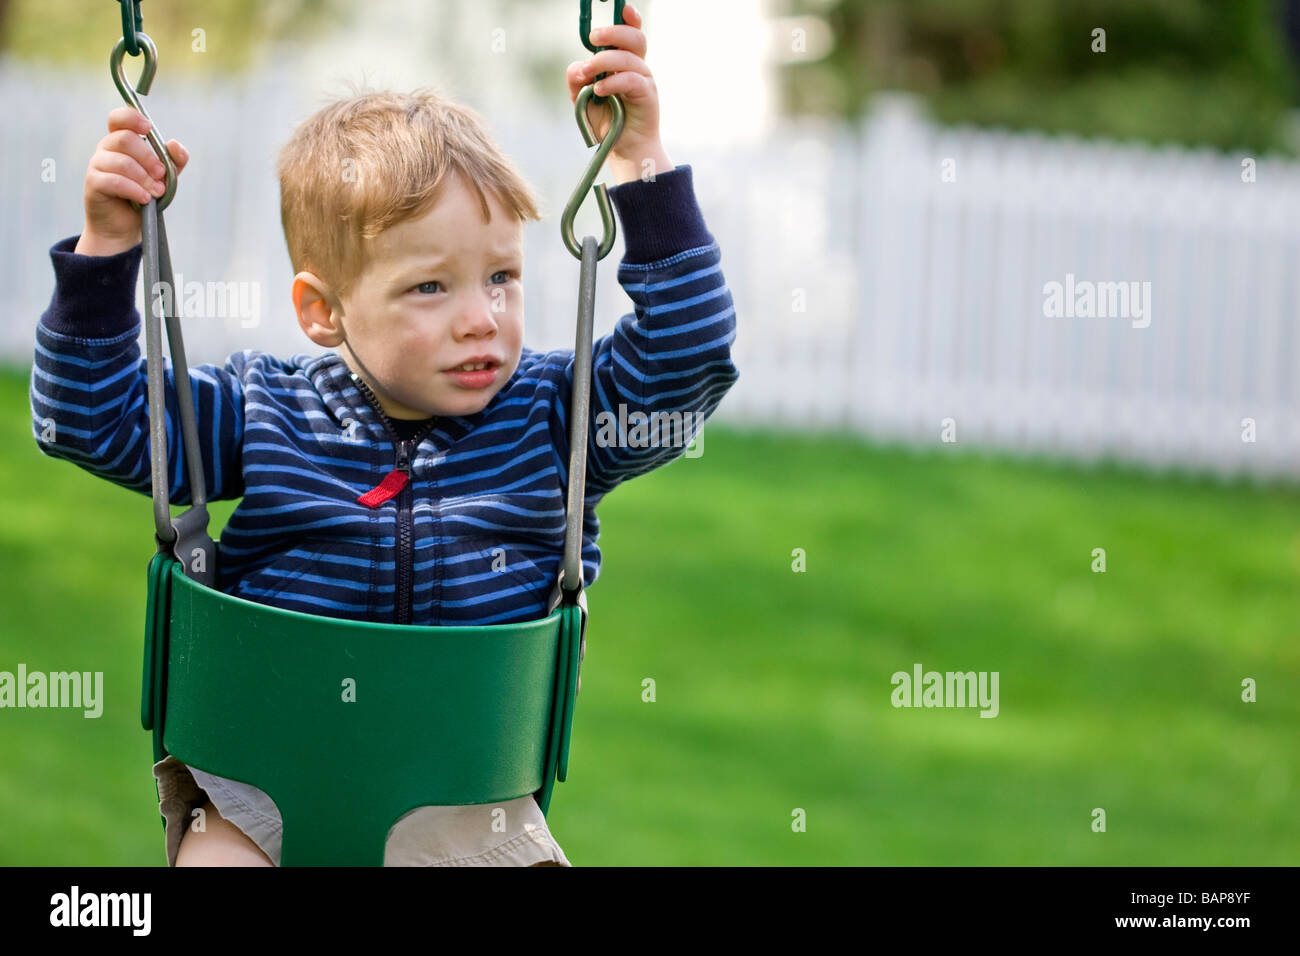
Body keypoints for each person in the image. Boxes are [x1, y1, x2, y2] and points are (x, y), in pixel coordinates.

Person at [30, 3, 737, 866]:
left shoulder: (555, 420)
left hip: (469, 803)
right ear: (322, 311)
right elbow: (86, 419)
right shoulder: (265, 413)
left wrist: (638, 162)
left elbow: (689, 354)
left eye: (502, 278)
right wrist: (107, 248)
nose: (482, 319)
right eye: (431, 288)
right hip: (262, 787)